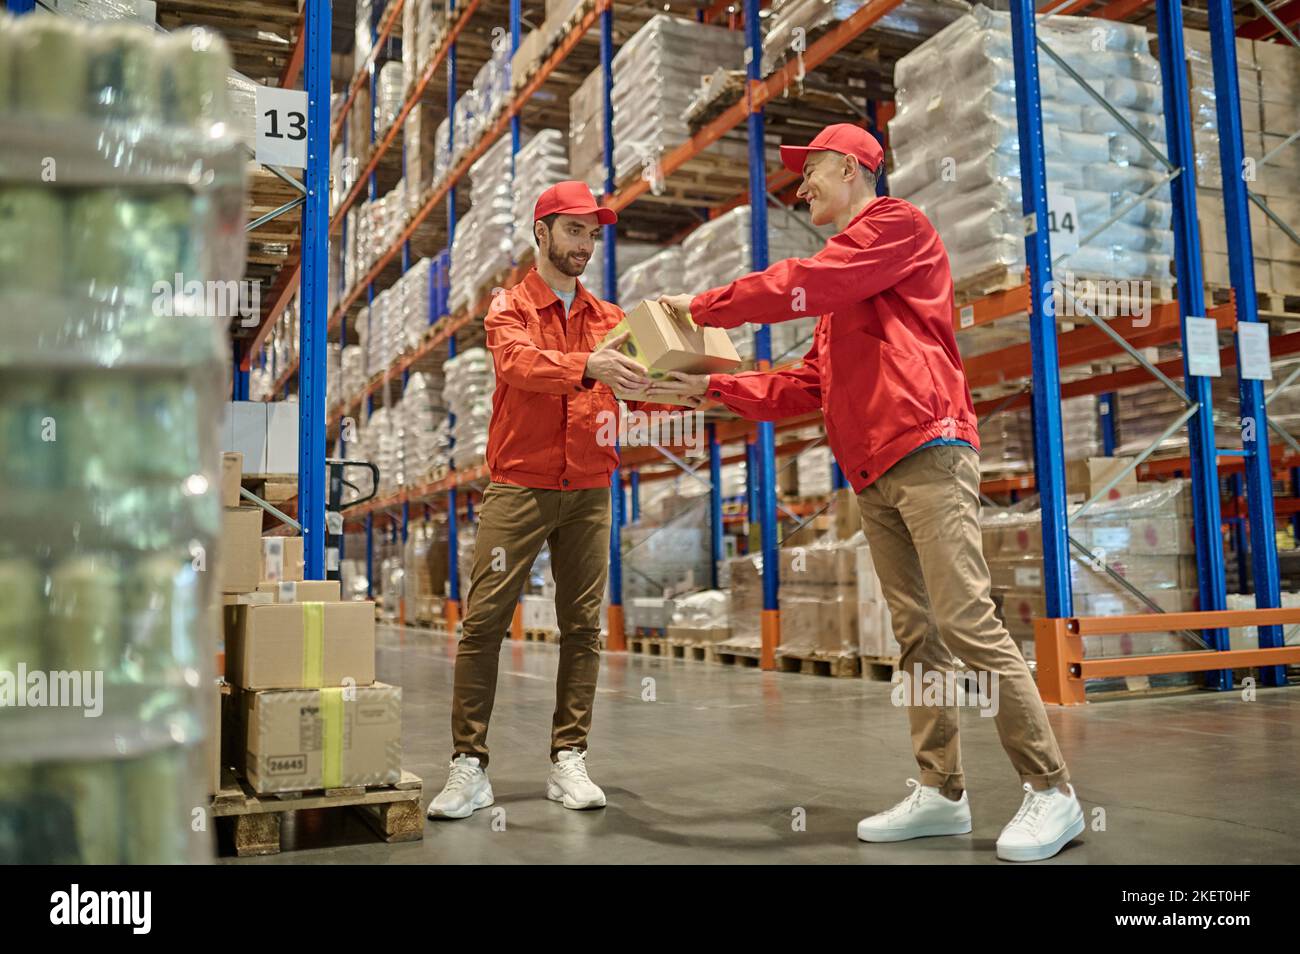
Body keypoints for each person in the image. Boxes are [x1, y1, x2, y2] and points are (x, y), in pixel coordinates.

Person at [652, 124, 1084, 862]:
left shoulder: (895, 227)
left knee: (966, 622)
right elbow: (803, 386)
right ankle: (942, 792)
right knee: (916, 636)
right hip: (875, 471)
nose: (801, 186)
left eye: (810, 169)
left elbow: (805, 281)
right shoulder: (840, 296)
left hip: (928, 448)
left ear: (851, 167)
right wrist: (707, 384)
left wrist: (703, 306)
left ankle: (1053, 793)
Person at [427, 181, 691, 820]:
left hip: (590, 492)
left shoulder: (609, 319)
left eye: (593, 234)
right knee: (483, 622)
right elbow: (519, 366)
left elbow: (642, 386)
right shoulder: (508, 307)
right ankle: (469, 766)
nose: (586, 245)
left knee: (583, 628)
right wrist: (589, 368)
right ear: (541, 233)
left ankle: (568, 758)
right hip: (519, 486)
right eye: (574, 231)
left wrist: (690, 384)